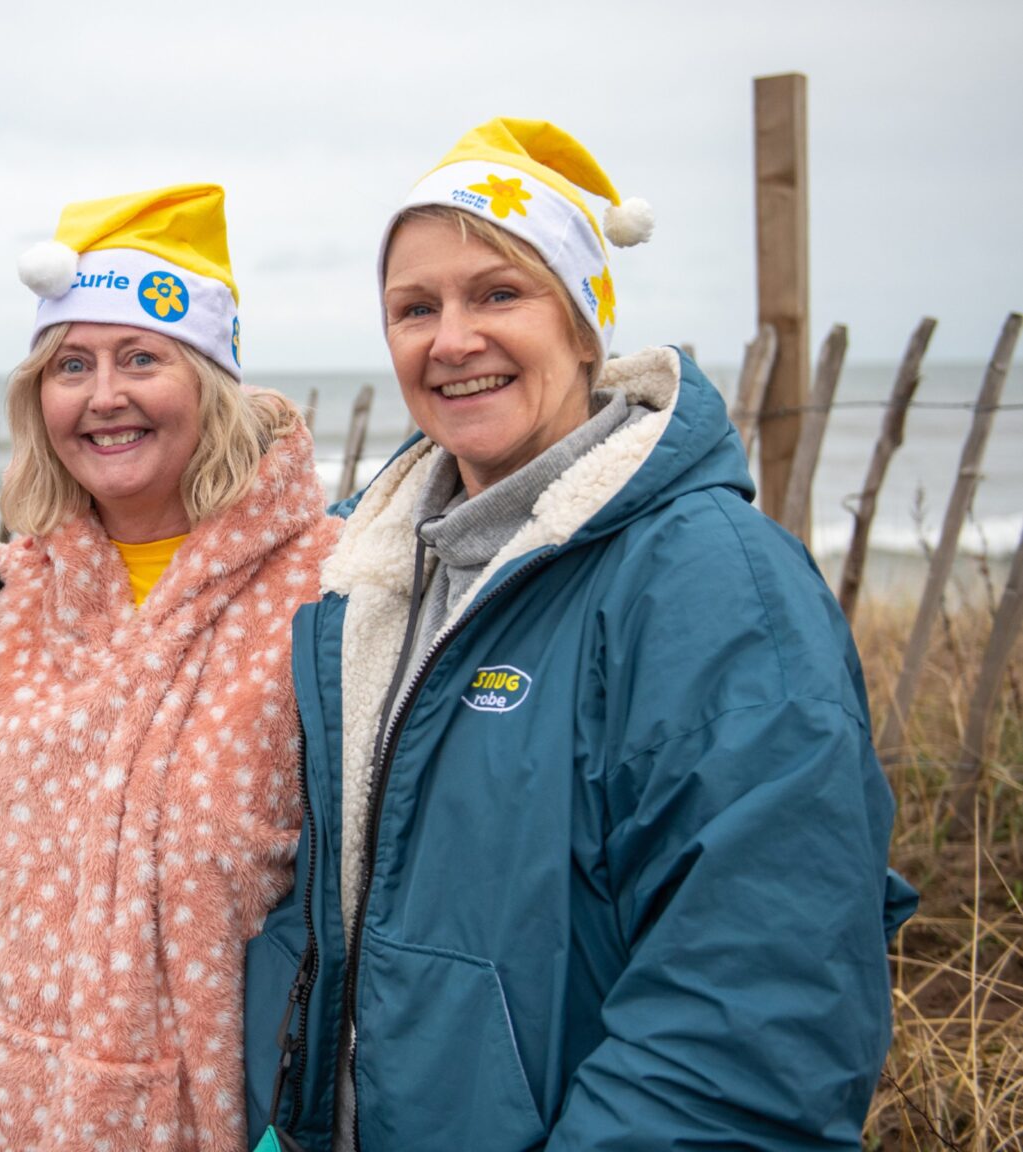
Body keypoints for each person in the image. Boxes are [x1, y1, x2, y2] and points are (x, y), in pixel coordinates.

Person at [243, 119, 917, 1151]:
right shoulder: (373, 579)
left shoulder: (708, 584)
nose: (451, 338)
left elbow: (756, 1007)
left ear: (586, 324)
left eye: (499, 293)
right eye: (414, 307)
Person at [0, 185, 339, 1152]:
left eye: (140, 357)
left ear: (208, 379)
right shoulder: (3, 596)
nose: (103, 395)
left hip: (228, 1113)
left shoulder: (331, 587)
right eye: (71, 365)